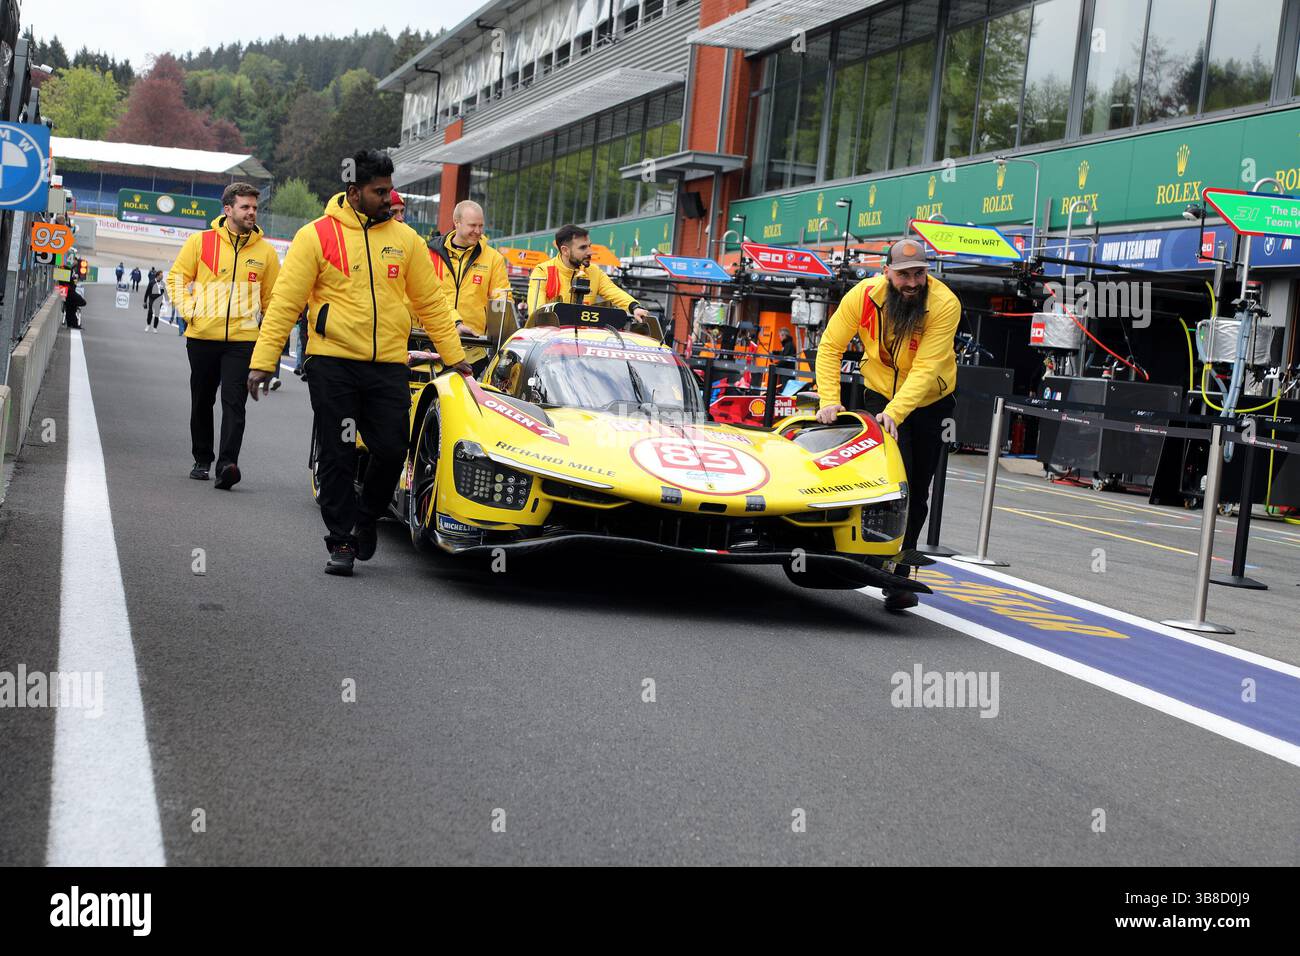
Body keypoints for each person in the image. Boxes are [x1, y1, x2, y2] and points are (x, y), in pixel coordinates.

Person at [246, 148, 470, 577]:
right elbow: (285, 305)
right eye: (379, 192)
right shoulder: (316, 236)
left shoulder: (405, 241)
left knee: (391, 448)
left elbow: (432, 303)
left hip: (387, 364)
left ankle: (366, 517)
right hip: (333, 365)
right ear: (354, 193)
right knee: (339, 450)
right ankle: (342, 538)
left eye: (390, 190)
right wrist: (264, 359)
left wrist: (456, 358)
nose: (390, 198)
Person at [814, 239, 959, 612]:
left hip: (930, 402)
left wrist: (897, 412)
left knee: (916, 489)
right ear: (886, 272)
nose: (912, 282)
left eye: (920, 273)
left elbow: (926, 369)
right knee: (885, 480)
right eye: (904, 275)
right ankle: (865, 554)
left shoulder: (944, 304)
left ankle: (899, 575)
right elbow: (830, 346)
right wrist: (829, 399)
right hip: (878, 393)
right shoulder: (862, 297)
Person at [167, 182, 281, 489]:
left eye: (255, 207)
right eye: (245, 207)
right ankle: (202, 458)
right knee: (202, 400)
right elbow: (176, 278)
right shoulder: (200, 242)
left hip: (243, 340)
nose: (251, 212)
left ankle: (227, 464)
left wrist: (270, 339)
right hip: (203, 336)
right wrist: (190, 311)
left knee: (235, 402)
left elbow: (273, 300)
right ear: (228, 209)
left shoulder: (266, 253)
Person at [430, 200, 512, 375]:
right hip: (431, 346)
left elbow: (501, 299)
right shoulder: (431, 254)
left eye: (481, 225)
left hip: (474, 350)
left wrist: (500, 332)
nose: (478, 231)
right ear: (456, 222)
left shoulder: (493, 258)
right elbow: (428, 296)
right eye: (472, 225)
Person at [526, 224, 651, 324]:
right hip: (552, 342)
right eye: (583, 248)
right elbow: (537, 315)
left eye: (589, 246)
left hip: (583, 342)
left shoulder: (594, 271)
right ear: (565, 250)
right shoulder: (542, 271)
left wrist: (635, 307)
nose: (591, 252)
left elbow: (614, 292)